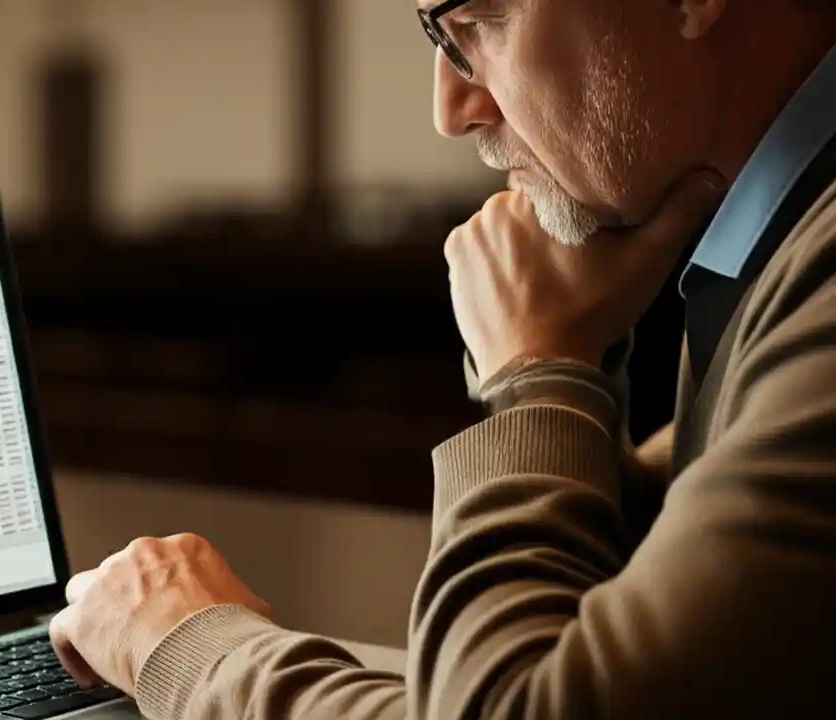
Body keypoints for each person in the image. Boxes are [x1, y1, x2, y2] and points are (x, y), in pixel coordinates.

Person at [48, 0, 836, 717]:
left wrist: (537, 376)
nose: (452, 109)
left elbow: (509, 703)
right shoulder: (781, 251)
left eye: (478, 20)